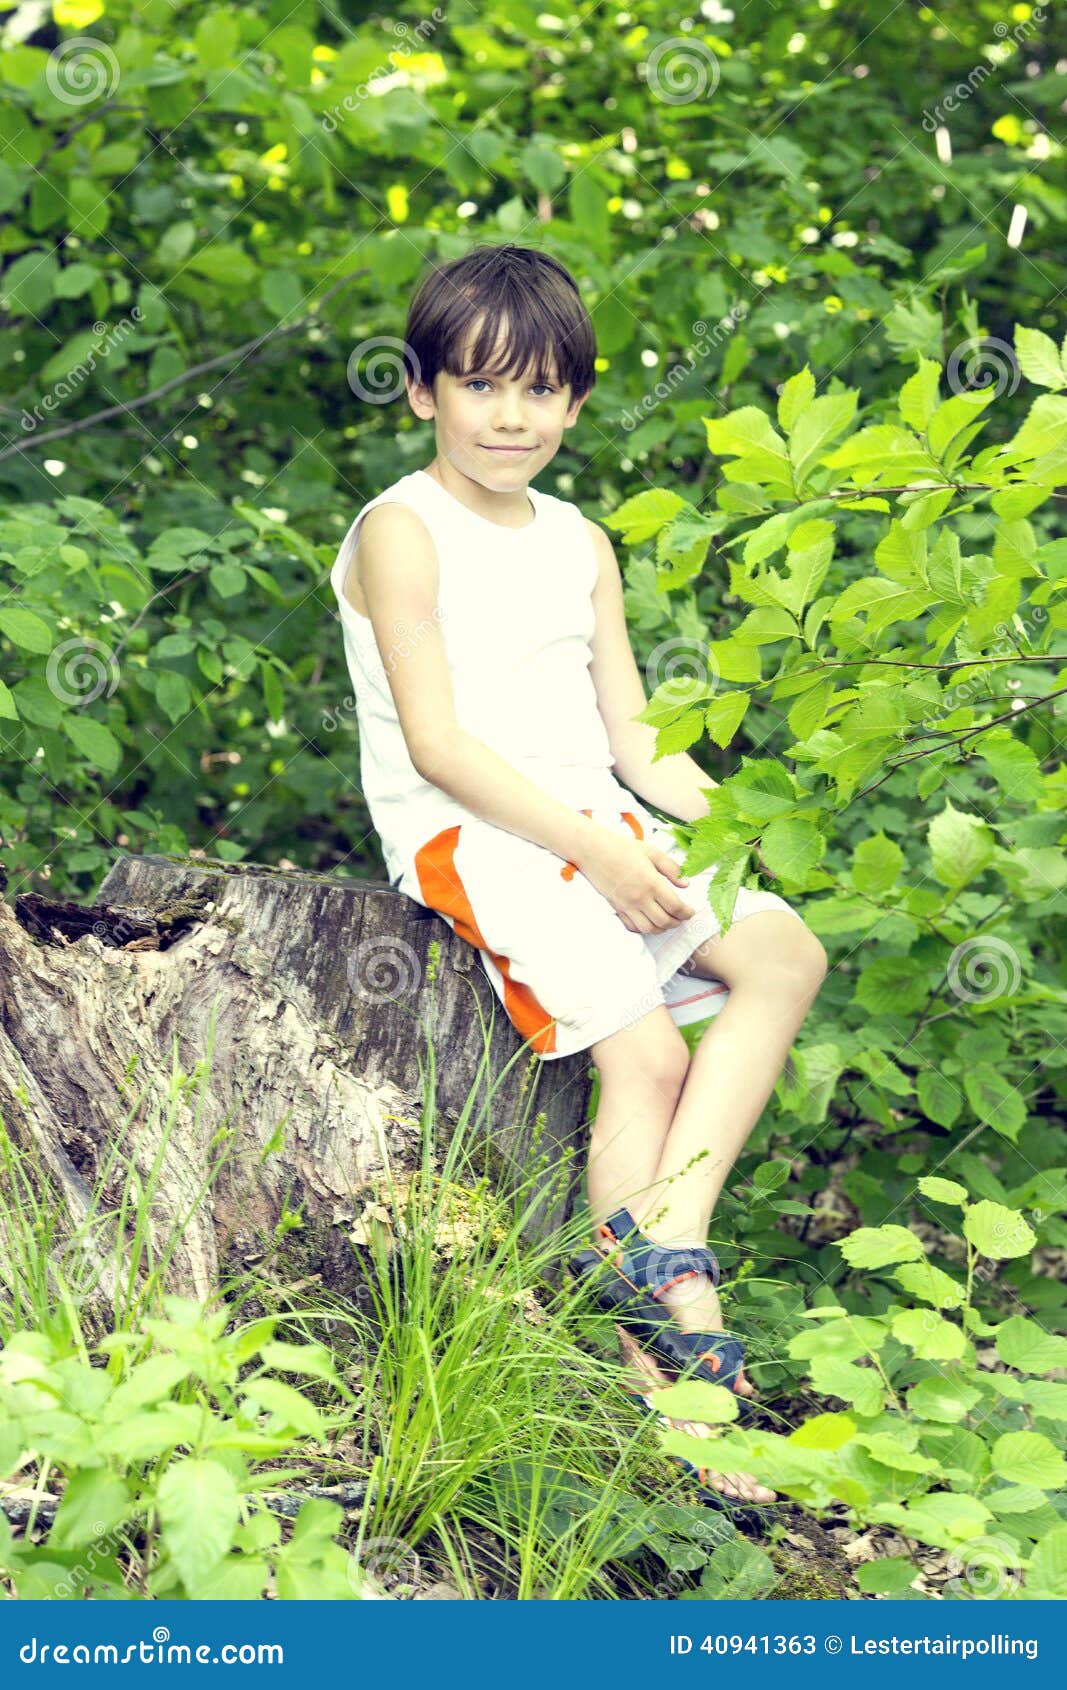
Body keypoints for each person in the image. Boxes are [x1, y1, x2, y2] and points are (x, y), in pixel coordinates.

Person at [329, 244, 828, 1505]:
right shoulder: (402, 529)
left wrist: (734, 823)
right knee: (648, 1055)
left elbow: (635, 734)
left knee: (782, 950)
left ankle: (661, 1239)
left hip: (599, 813)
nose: (512, 416)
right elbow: (439, 744)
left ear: (577, 401)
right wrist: (594, 849)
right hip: (476, 832)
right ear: (422, 392)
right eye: (481, 385)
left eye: (541, 390)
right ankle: (674, 1395)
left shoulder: (580, 539)